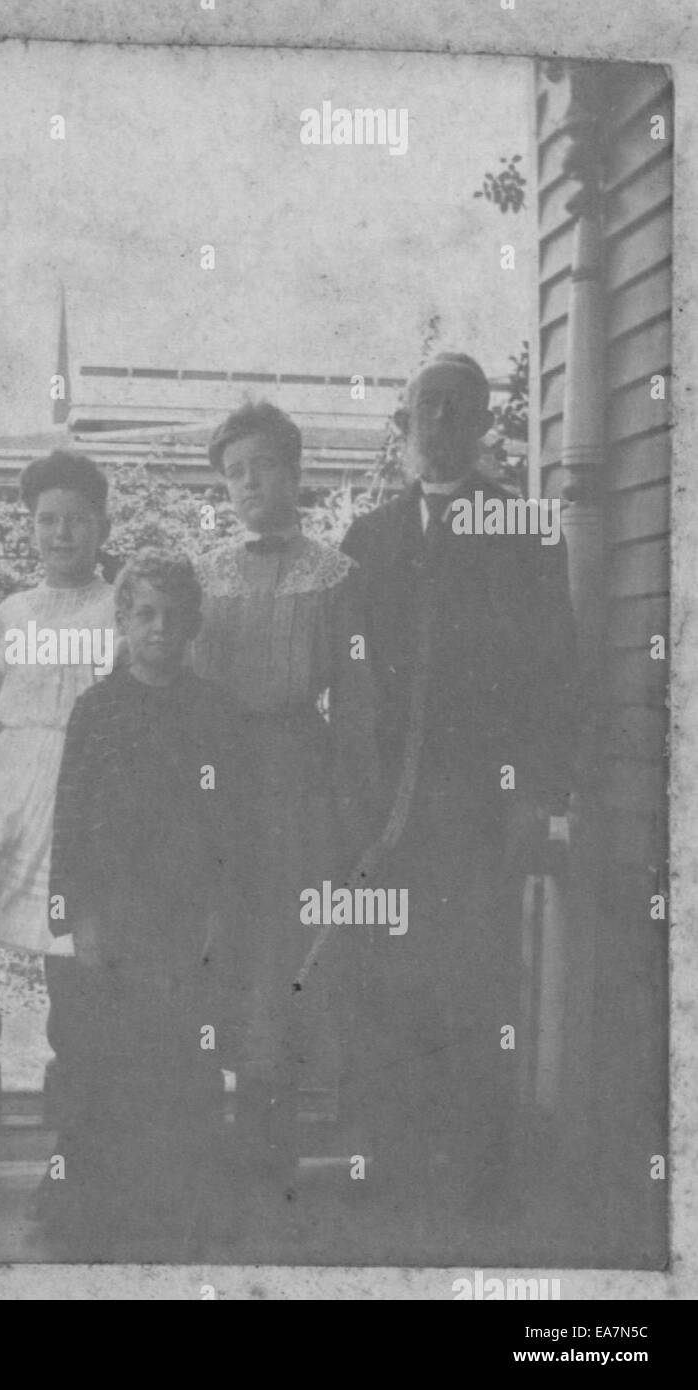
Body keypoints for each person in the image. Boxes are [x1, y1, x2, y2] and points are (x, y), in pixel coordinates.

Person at [339, 352, 577, 1251]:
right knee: (388, 979)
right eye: (420, 409)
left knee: (477, 982)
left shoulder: (522, 528)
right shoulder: (370, 539)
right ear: (402, 422)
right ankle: (392, 1160)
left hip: (483, 803)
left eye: (454, 410)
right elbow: (350, 679)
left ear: (481, 424)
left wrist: (536, 800)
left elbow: (554, 672)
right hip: (387, 809)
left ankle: (480, 1173)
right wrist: (352, 797)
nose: (434, 425)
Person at [46, 550, 256, 1258]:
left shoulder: (216, 712)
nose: (159, 629)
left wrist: (223, 918)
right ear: (124, 622)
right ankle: (103, 1210)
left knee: (186, 1060)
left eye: (173, 616)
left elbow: (235, 827)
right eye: (145, 615)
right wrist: (77, 916)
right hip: (115, 912)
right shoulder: (98, 709)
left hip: (188, 917)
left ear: (193, 624)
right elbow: (69, 820)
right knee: (104, 1062)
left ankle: (182, 1208)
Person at [192, 401, 373, 1215]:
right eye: (234, 472)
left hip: (302, 784)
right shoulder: (209, 575)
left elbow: (360, 702)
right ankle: (226, 1137)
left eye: (262, 466)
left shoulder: (334, 576)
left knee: (291, 955)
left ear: (295, 473)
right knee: (228, 941)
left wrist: (357, 808)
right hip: (225, 780)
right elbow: (190, 692)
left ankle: (278, 1151)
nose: (248, 484)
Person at [0, 451, 116, 1120]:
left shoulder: (119, 606)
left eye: (75, 520)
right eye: (47, 521)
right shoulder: (13, 611)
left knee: (69, 940)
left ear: (101, 528)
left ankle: (79, 1101)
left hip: (82, 785)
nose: (60, 534)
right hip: (8, 781)